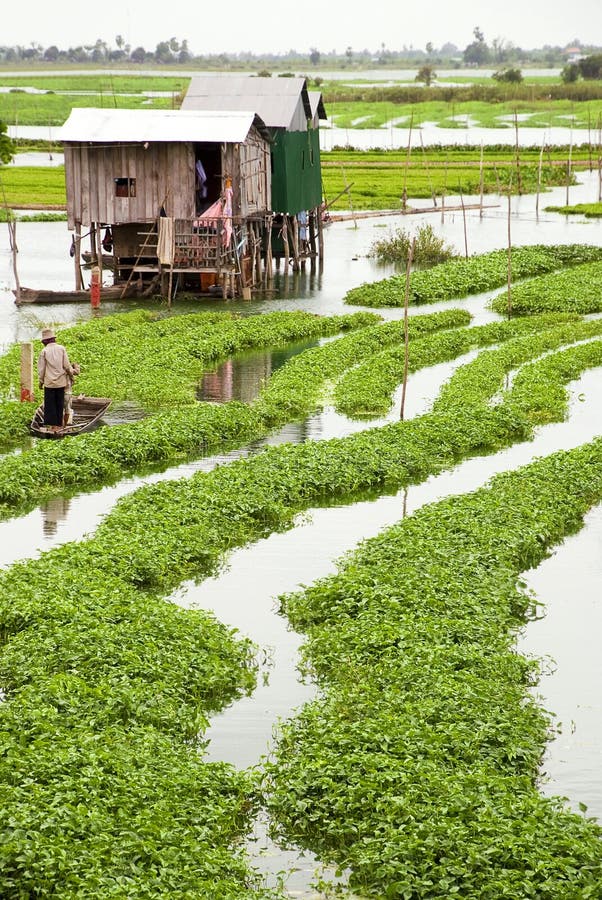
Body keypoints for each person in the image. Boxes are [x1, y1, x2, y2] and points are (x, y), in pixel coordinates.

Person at [37, 328, 77, 432]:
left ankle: (52, 427)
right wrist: (72, 377)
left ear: (45, 341)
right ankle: (59, 426)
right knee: (59, 405)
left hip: (49, 383)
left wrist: (41, 382)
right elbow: (67, 366)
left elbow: (42, 369)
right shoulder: (61, 348)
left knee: (50, 405)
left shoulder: (44, 351)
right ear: (53, 339)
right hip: (61, 383)